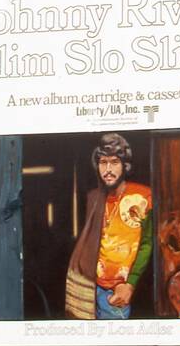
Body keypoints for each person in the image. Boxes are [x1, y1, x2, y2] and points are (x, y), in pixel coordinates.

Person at [65, 133, 153, 320]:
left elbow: (148, 243)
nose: (108, 169)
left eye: (114, 162)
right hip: (91, 290)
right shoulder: (94, 197)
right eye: (103, 163)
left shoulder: (143, 196)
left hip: (118, 292)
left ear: (125, 165)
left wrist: (130, 284)